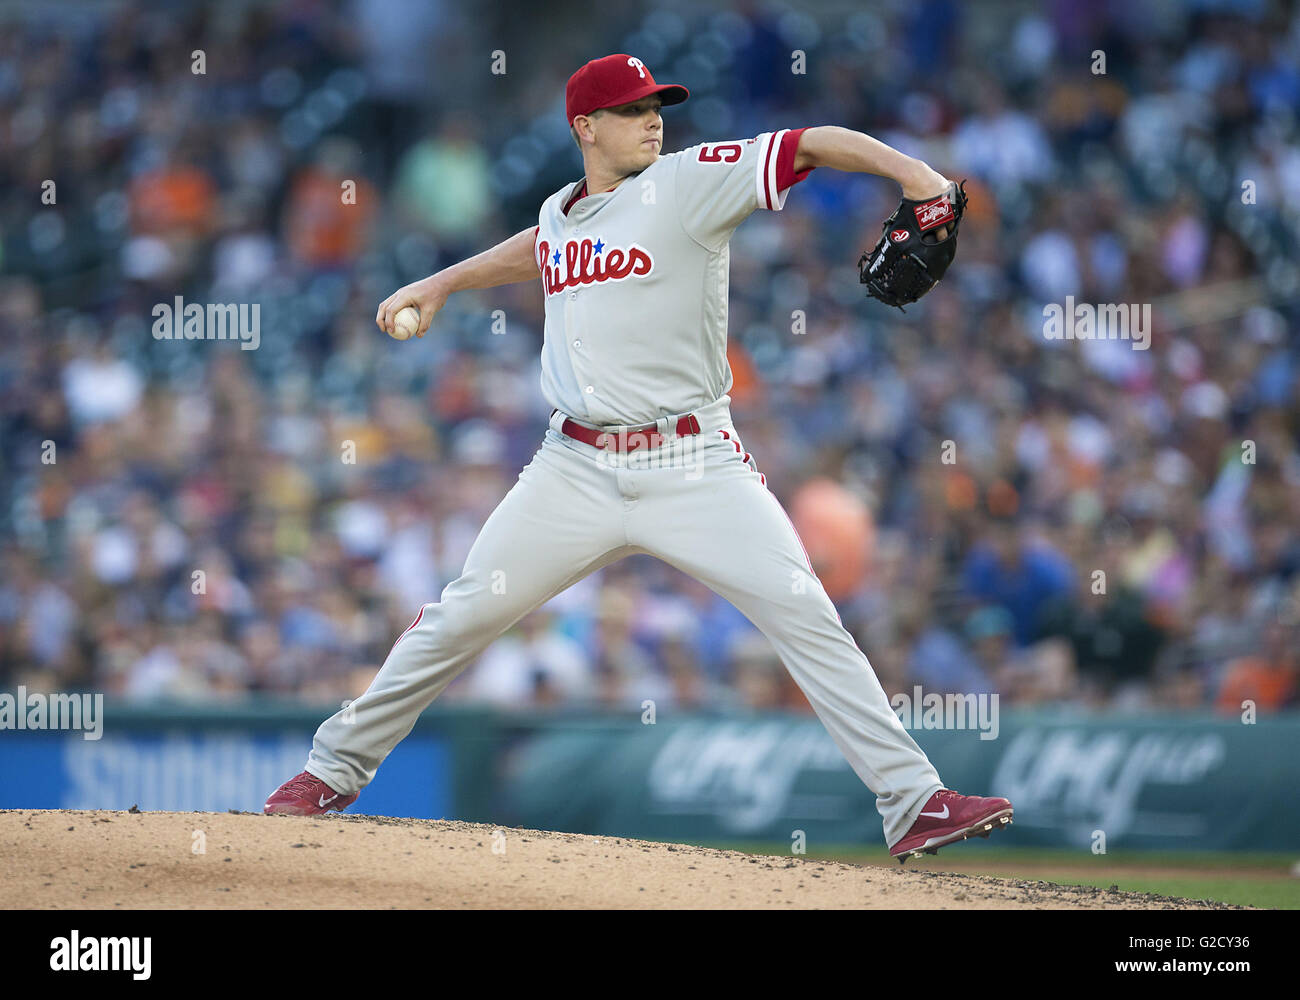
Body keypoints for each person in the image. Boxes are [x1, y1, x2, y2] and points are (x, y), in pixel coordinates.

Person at [265, 54, 1013, 862]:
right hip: (573, 466)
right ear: (586, 127)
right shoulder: (563, 212)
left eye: (657, 106)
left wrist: (921, 178)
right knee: (462, 613)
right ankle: (331, 770)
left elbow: (815, 142)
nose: (653, 119)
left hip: (694, 463)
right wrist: (443, 283)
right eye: (631, 110)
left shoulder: (690, 182)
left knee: (806, 615)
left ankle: (915, 802)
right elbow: (543, 247)